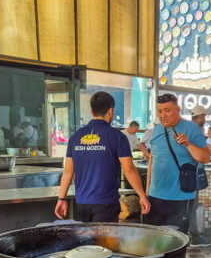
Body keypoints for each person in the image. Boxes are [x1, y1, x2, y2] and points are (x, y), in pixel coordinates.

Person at [56, 92, 149, 223]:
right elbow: (129, 170)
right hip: (106, 204)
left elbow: (68, 171)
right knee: (105, 243)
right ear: (110, 111)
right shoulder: (117, 137)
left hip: (82, 203)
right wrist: (142, 196)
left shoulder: (76, 137)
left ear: (92, 112)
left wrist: (61, 199)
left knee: (87, 242)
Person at [142, 93, 210, 233]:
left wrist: (188, 144)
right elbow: (153, 160)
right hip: (155, 196)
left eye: (167, 110)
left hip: (181, 198)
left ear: (178, 109)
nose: (163, 115)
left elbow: (205, 158)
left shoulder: (192, 129)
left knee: (177, 243)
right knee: (153, 240)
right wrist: (147, 191)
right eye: (160, 111)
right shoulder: (156, 131)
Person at [187, 104, 211, 247]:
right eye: (204, 116)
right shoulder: (195, 130)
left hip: (190, 171)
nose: (205, 118)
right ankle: (195, 236)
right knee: (193, 203)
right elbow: (202, 156)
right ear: (200, 116)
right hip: (194, 172)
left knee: (190, 203)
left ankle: (189, 234)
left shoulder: (189, 129)